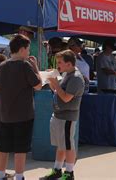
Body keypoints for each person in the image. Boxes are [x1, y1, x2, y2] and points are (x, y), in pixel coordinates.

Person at [0, 34, 42, 180]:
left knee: (3, 148)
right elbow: (38, 86)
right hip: (24, 115)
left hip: (5, 114)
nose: (28, 52)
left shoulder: (2, 66)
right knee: (20, 149)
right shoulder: (25, 65)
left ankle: (0, 175)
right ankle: (19, 176)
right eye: (28, 49)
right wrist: (36, 68)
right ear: (22, 49)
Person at [42, 50, 85, 180]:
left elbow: (66, 98)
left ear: (68, 63)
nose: (57, 65)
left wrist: (55, 84)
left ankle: (69, 173)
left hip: (67, 117)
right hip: (59, 115)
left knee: (68, 145)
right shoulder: (67, 74)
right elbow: (57, 92)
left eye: (60, 62)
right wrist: (51, 81)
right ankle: (57, 170)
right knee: (61, 145)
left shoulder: (76, 78)